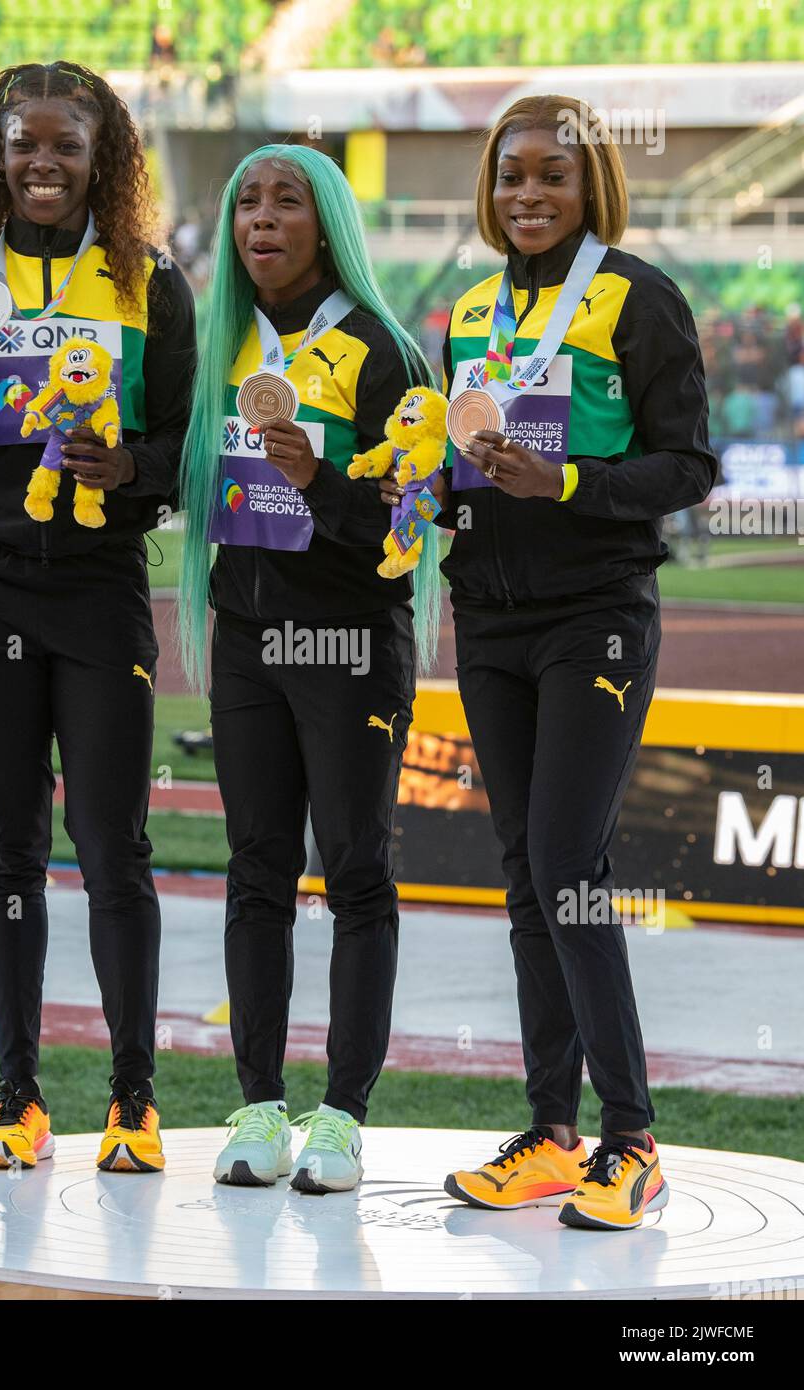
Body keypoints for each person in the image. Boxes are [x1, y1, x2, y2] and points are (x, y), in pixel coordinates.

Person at [381, 95, 715, 1230]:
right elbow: (466, 460)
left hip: (597, 616)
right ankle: (552, 1131)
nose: (528, 194)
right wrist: (421, 487)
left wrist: (565, 483)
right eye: (511, 175)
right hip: (492, 620)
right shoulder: (470, 309)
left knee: (571, 862)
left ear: (591, 187)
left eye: (551, 178)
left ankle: (633, 1138)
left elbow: (689, 466)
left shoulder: (637, 296)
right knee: (528, 872)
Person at [0, 61, 196, 1174]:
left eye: (65, 145)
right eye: (22, 143)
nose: (41, 162)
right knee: (7, 847)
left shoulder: (146, 284)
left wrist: (128, 465)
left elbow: (181, 447)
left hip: (99, 586)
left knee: (113, 847)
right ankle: (16, 1094)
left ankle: (133, 1100)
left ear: (99, 158)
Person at [178, 143, 439, 1194]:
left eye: (288, 201)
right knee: (256, 872)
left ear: (327, 224)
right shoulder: (223, 341)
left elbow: (413, 527)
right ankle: (258, 1104)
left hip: (351, 647)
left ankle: (342, 1116)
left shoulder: (385, 352)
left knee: (357, 872)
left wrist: (318, 477)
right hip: (246, 640)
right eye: (248, 203)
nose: (263, 220)